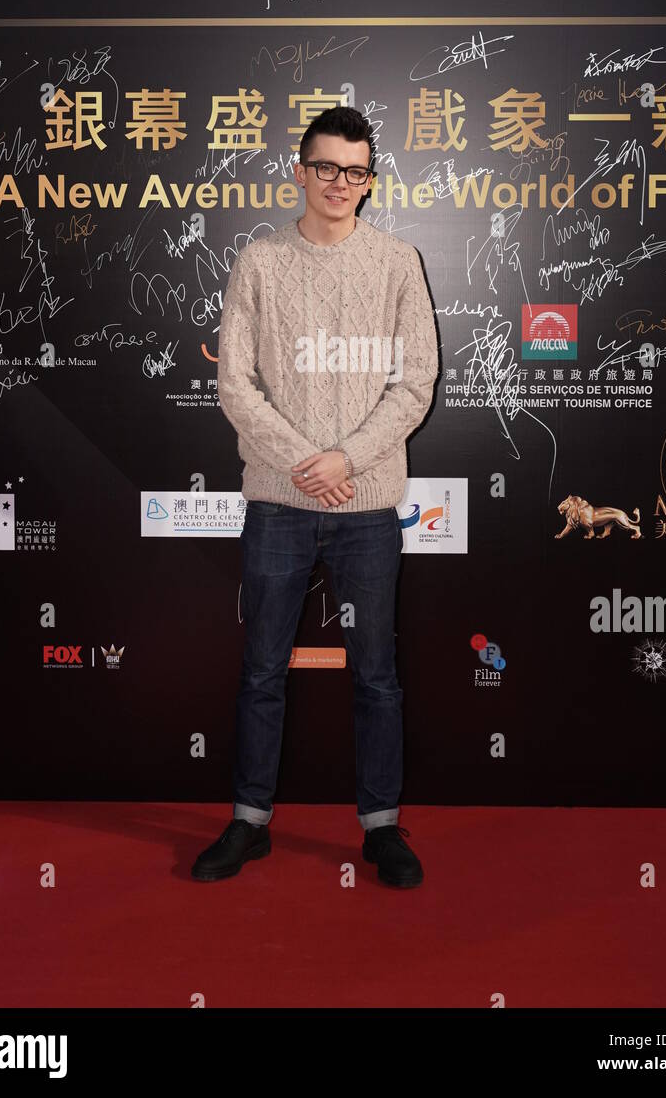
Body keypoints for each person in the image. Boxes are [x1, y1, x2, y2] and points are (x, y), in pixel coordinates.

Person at [191, 104, 439, 888]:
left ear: (371, 181)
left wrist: (348, 460)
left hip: (368, 507)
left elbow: (416, 385)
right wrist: (308, 462)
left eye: (355, 170)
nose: (340, 182)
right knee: (261, 668)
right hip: (278, 500)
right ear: (300, 171)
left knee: (376, 674)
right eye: (326, 166)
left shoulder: (399, 262)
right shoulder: (258, 262)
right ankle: (250, 822)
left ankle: (381, 828)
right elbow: (236, 385)